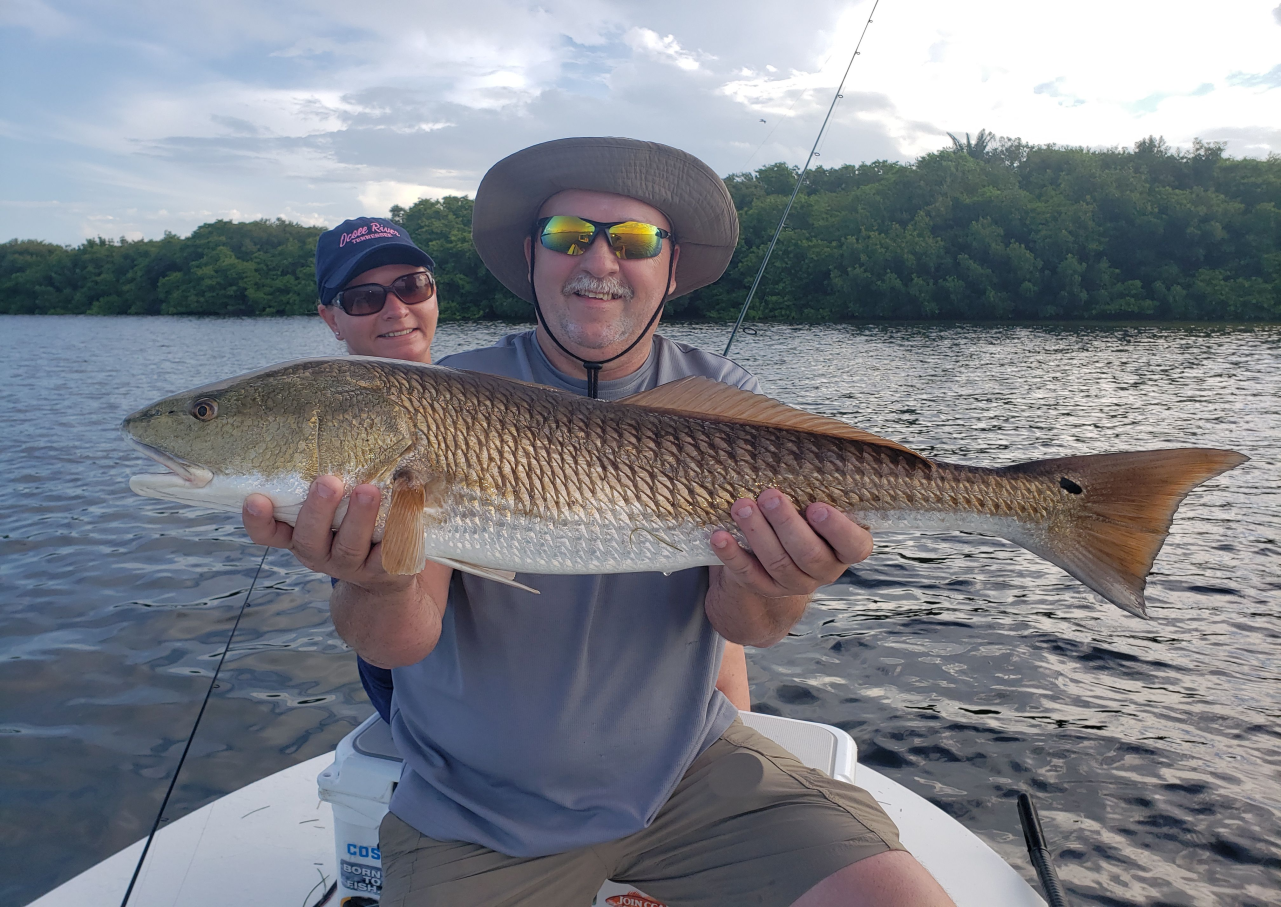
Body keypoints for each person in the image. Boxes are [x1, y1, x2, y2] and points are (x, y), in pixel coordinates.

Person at [245, 138, 954, 907]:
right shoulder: (445, 397)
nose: (599, 260)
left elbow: (749, 626)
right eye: (568, 235)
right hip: (476, 812)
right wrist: (374, 583)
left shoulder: (727, 398)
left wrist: (783, 579)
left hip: (691, 777)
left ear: (671, 267)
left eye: (636, 239)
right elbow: (399, 641)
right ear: (531, 256)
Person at [297, 214, 751, 719]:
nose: (396, 309)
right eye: (364, 298)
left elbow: (735, 628)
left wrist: (730, 722)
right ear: (331, 318)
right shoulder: (445, 390)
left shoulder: (469, 389)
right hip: (441, 704)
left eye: (412, 286)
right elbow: (398, 636)